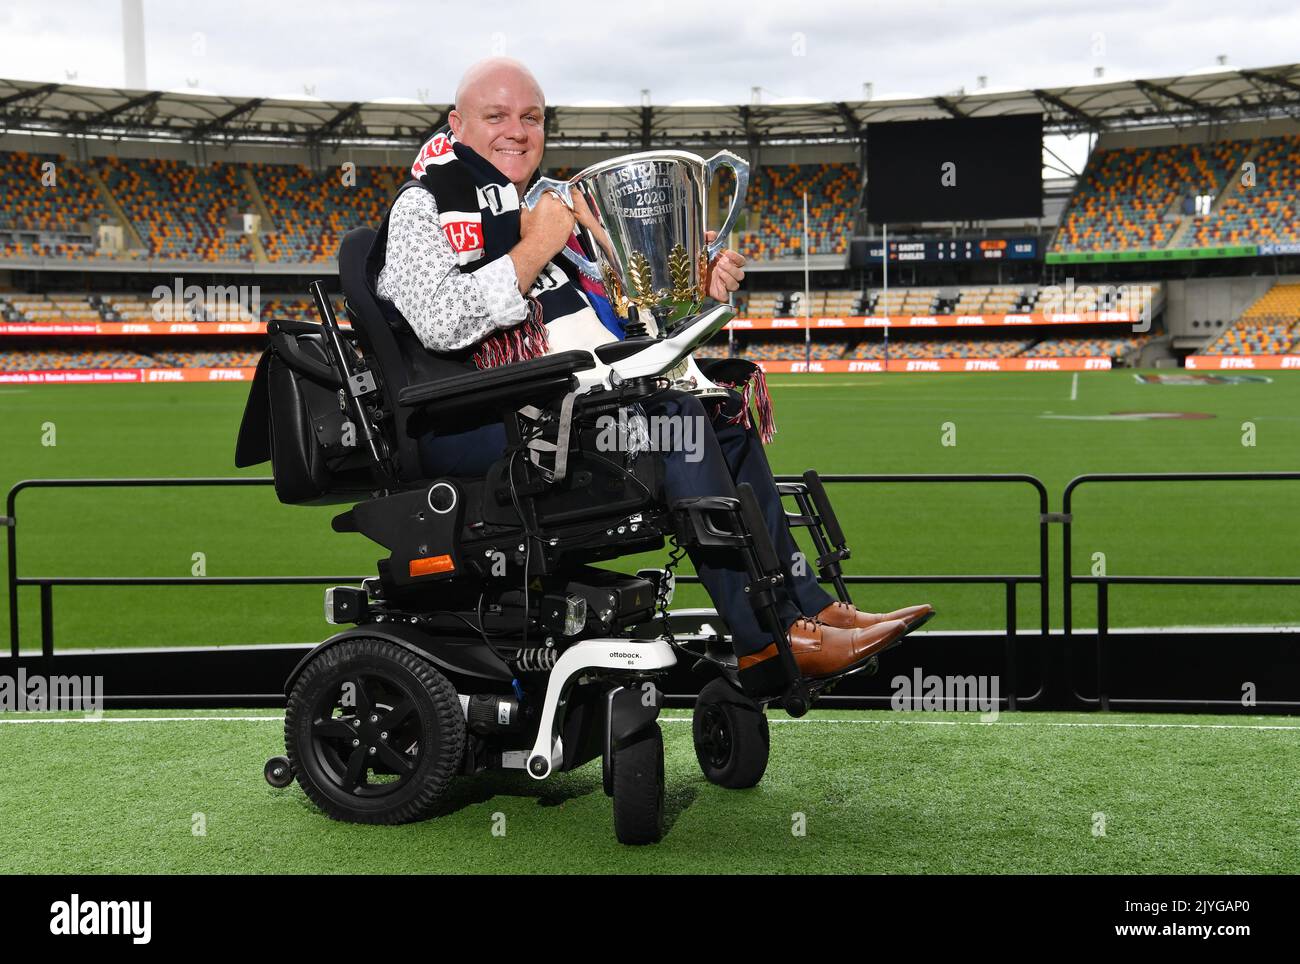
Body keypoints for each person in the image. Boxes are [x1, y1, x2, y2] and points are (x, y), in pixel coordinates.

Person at [372, 56, 931, 697]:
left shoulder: (550, 208)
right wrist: (536, 246)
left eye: (531, 117)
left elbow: (629, 327)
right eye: (495, 116)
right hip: (472, 416)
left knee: (719, 417)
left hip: (553, 402)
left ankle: (804, 611)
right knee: (675, 426)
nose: (517, 130)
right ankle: (767, 641)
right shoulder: (424, 206)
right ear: (457, 124)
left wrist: (693, 293)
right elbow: (442, 323)